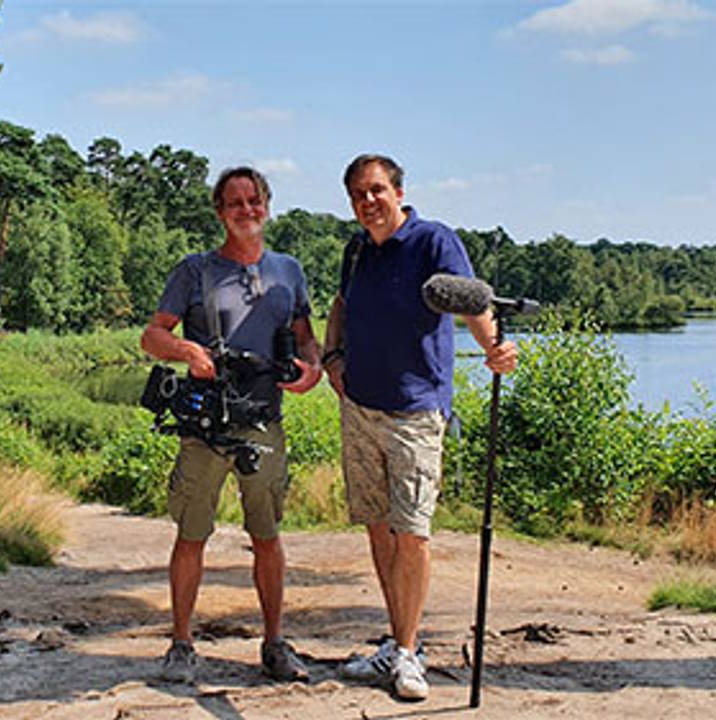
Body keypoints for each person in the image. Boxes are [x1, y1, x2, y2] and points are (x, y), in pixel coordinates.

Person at [322, 154, 518, 700]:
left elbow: (472, 300)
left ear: (400, 192)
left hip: (415, 411)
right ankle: (398, 641)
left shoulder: (435, 241)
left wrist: (494, 348)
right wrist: (333, 359)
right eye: (358, 194)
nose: (368, 201)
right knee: (379, 528)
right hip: (359, 406)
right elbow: (341, 305)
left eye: (377, 190)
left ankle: (409, 655)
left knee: (412, 531)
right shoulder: (356, 249)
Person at [140, 166, 323, 684]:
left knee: (267, 535)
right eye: (235, 202)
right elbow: (151, 337)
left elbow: (306, 338)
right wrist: (185, 351)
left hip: (264, 420)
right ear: (220, 212)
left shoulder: (290, 270)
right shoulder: (194, 271)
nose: (246, 210)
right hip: (205, 426)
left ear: (267, 205)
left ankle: (275, 643)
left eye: (254, 200)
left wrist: (309, 370)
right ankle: (181, 644)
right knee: (191, 534)